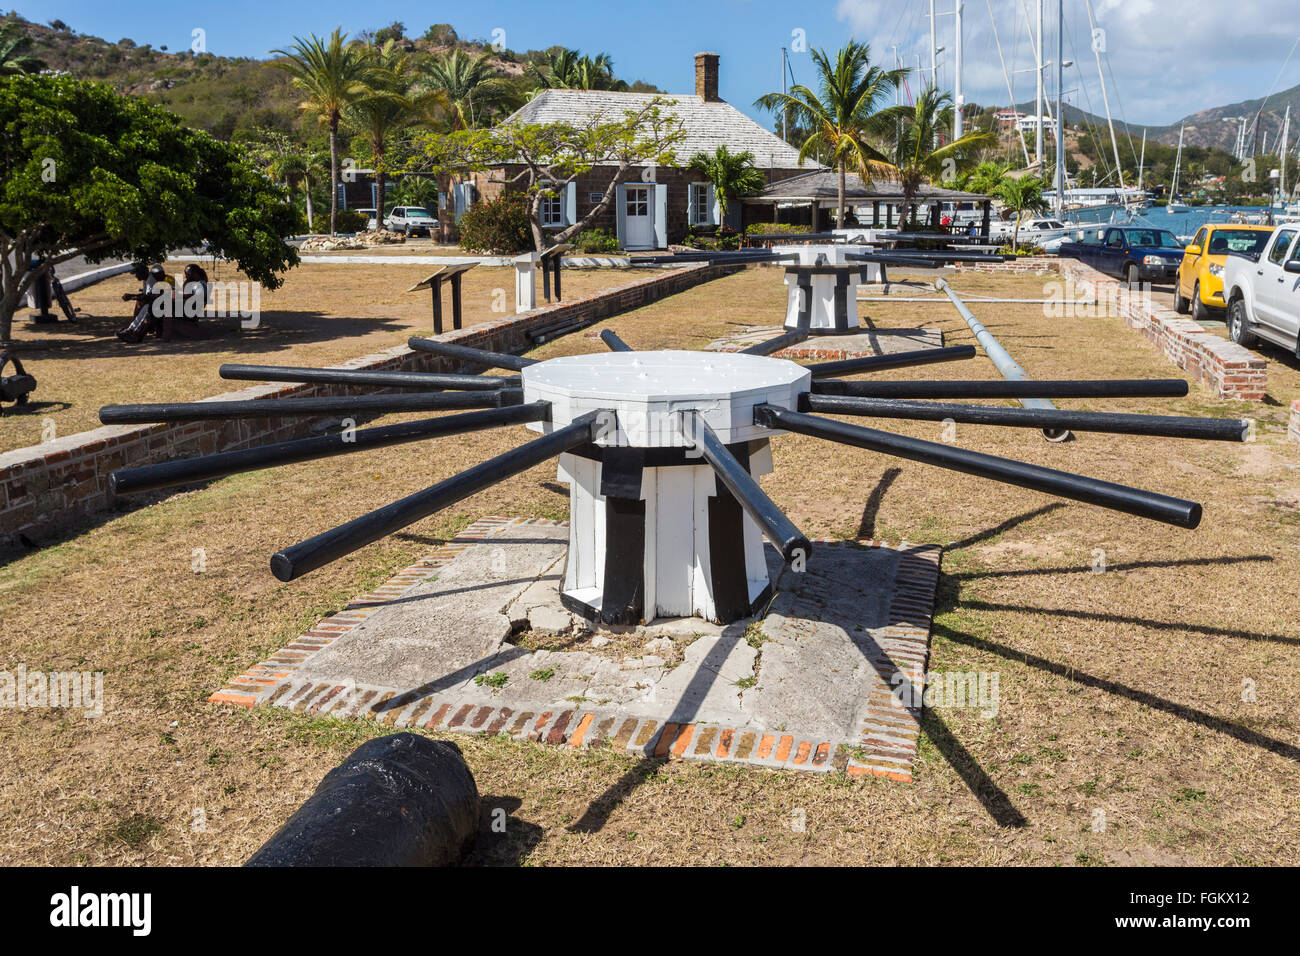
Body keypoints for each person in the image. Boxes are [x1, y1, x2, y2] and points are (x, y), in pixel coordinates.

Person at [117, 264, 173, 344]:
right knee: (144, 305)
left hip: (168, 304)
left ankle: (134, 332)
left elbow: (148, 297)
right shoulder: (146, 280)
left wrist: (132, 297)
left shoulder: (151, 279)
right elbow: (147, 295)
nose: (136, 276)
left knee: (148, 307)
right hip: (162, 302)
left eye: (137, 274)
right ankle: (131, 329)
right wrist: (133, 297)